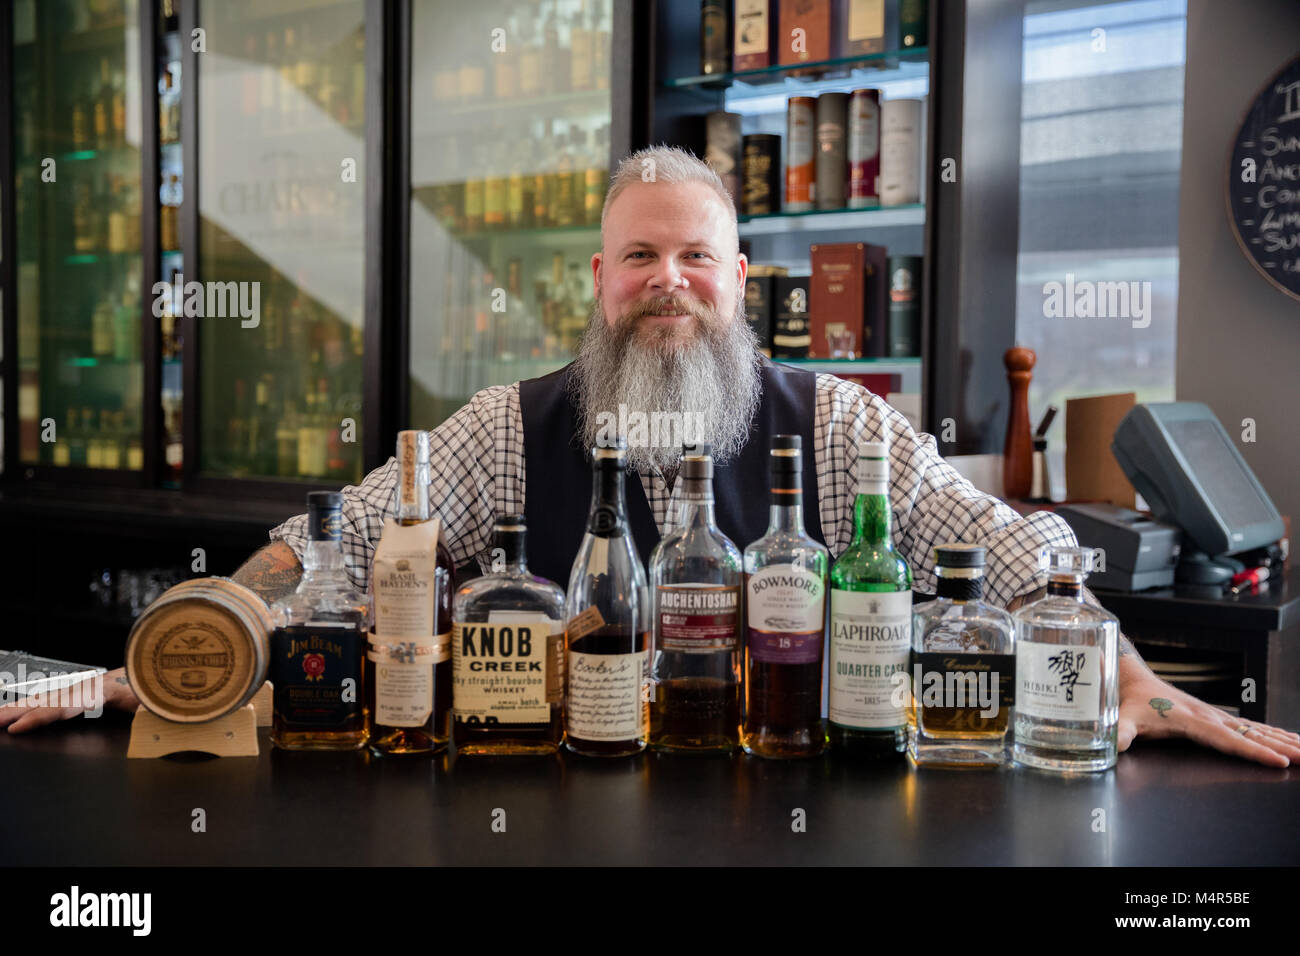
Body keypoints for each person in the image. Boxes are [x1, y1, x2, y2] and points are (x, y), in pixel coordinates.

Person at [5, 147, 1297, 768]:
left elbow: (1019, 557)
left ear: (743, 281)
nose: (666, 281)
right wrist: (202, 643)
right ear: (598, 280)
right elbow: (335, 538)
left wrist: (1141, 686)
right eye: (639, 256)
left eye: (695, 258)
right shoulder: (508, 429)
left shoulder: (837, 426)